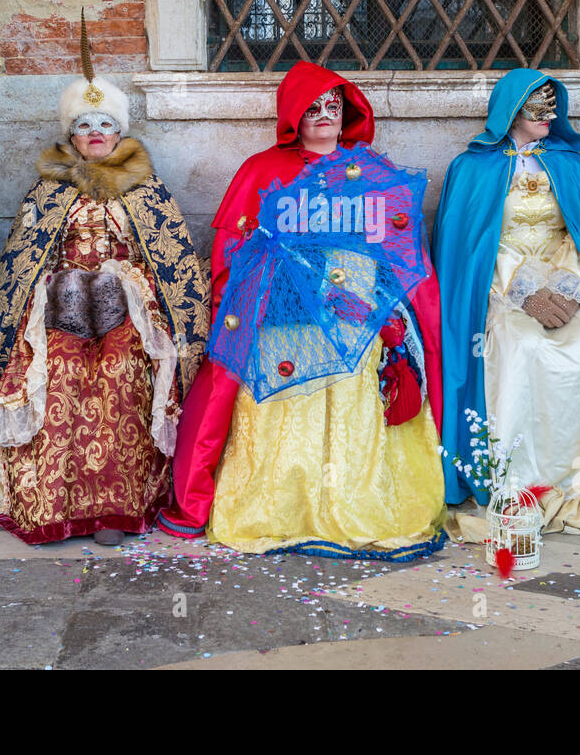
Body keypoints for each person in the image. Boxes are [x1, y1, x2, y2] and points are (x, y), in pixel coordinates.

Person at [159, 61, 447, 560]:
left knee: (352, 400)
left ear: (345, 113)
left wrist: (383, 305)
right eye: (312, 109)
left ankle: (353, 500)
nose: (323, 117)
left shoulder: (371, 168)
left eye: (332, 108)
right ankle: (283, 506)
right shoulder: (261, 170)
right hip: (283, 310)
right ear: (294, 116)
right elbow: (235, 244)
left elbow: (397, 245)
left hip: (354, 310)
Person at [0, 24, 211, 545]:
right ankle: (55, 503)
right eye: (84, 124)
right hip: (56, 305)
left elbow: (172, 262)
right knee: (61, 372)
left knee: (122, 373)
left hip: (129, 307)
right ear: (71, 135)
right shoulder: (47, 191)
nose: (95, 132)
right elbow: (18, 263)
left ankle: (115, 509)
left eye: (106, 124)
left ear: (120, 133)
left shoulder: (147, 189)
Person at [432, 69, 580, 530]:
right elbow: (469, 251)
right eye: (537, 107)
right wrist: (520, 290)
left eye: (553, 105)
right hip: (500, 289)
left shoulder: (569, 164)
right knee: (522, 347)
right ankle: (517, 479)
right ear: (511, 111)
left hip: (565, 279)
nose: (549, 115)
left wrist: (569, 287)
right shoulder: (471, 168)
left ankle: (575, 478)